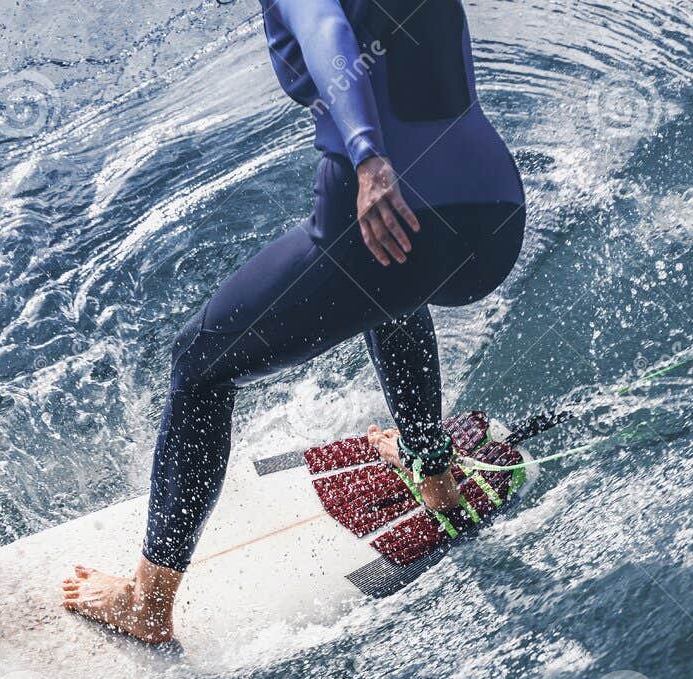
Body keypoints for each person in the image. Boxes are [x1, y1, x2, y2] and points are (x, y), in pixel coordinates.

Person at [64, 0, 524, 642]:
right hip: (493, 223)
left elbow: (325, 29)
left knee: (199, 362)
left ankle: (147, 603)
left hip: (384, 210)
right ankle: (434, 473)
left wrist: (368, 158)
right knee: (388, 278)